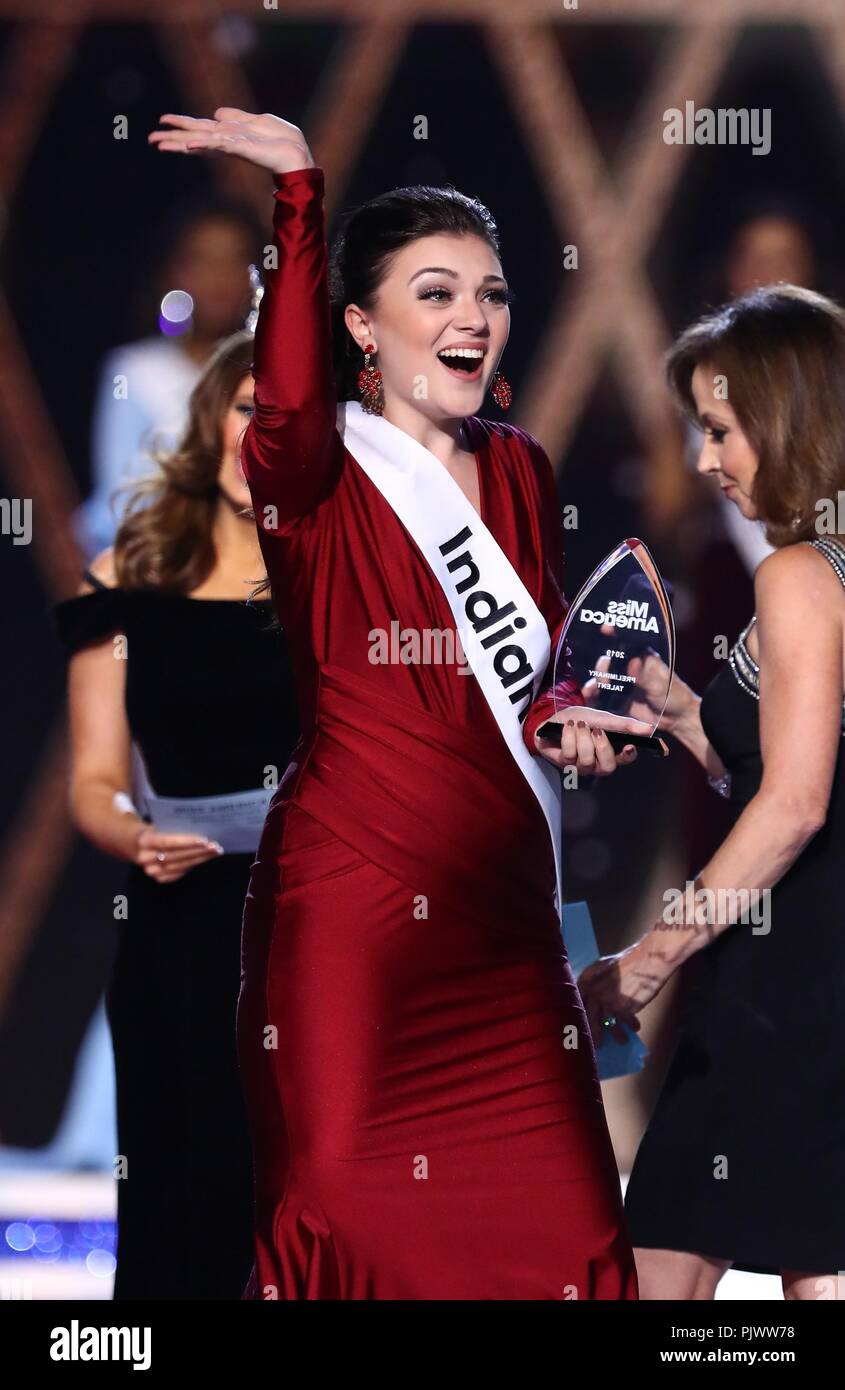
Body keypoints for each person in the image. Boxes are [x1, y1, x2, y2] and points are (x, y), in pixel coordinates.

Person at [149, 107, 644, 1301]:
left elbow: (529, 684)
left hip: (506, 935)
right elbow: (283, 403)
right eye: (435, 293)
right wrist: (300, 195)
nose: (472, 315)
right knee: (345, 1217)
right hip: (357, 922)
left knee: (566, 1238)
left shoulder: (520, 467)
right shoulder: (312, 470)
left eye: (490, 292)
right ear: (361, 326)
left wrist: (579, 725)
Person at [579, 285, 845, 1301]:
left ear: (784, 416)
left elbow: (795, 805)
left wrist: (648, 958)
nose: (700, 458)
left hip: (782, 995)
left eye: (720, 429)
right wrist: (692, 715)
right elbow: (792, 770)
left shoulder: (795, 575)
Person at [54, 331, 299, 1299]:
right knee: (175, 1209)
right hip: (179, 920)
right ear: (209, 421)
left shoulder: (341, 576)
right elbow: (95, 777)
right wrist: (133, 833)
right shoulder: (133, 570)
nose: (262, 436)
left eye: (288, 420)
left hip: (312, 927)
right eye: (247, 410)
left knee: (294, 1211)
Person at [74, 198, 260, 558]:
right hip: (162, 570)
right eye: (202, 261)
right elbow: (122, 499)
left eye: (233, 260)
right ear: (174, 272)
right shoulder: (136, 371)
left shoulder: (272, 374)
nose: (218, 277)